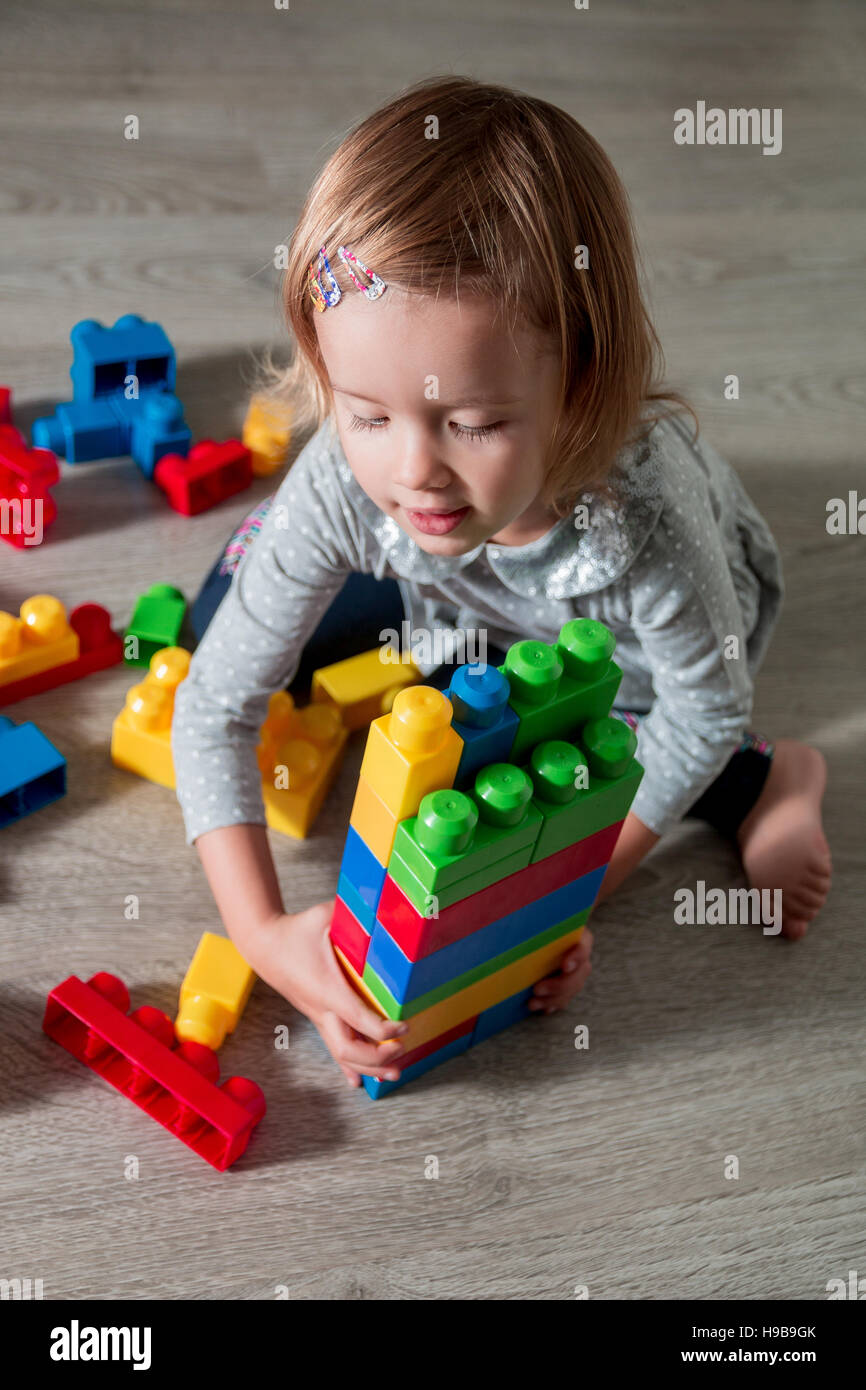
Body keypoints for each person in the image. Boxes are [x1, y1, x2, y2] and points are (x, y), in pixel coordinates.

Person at [172, 76, 831, 1089]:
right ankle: (448, 593)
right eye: (364, 412)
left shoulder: (644, 522)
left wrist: (560, 899)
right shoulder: (369, 484)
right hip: (450, 596)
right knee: (222, 621)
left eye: (471, 423)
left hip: (606, 649)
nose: (414, 470)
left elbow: (703, 702)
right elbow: (215, 702)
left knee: (597, 746)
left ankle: (768, 778)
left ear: (580, 379)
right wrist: (262, 932)